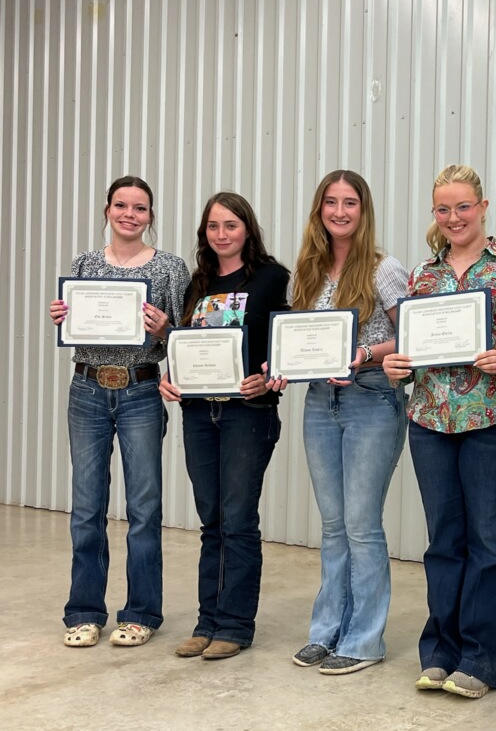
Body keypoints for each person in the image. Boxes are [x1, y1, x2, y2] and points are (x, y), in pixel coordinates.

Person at [382, 164, 496, 699]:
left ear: (483, 205)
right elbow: (408, 345)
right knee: (443, 543)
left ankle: (483, 659)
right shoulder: (423, 277)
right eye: (443, 209)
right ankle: (441, 652)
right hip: (430, 419)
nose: (454, 217)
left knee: (490, 542)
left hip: (494, 421)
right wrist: (395, 366)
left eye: (463, 206)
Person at [276, 170, 408, 675]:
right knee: (332, 526)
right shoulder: (307, 270)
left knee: (361, 525)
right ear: (319, 210)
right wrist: (280, 364)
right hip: (318, 404)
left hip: (371, 400)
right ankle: (325, 631)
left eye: (349, 202)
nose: (339, 211)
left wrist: (364, 352)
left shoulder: (384, 268)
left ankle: (364, 639)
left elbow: (410, 337)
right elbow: (297, 337)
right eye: (330, 202)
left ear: (363, 210)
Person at [51, 176, 190, 648]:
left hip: (142, 392)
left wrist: (165, 327)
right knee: (86, 507)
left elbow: (186, 338)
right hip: (88, 389)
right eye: (121, 205)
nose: (130, 214)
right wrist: (64, 317)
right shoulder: (85, 265)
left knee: (144, 508)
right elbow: (77, 326)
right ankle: (85, 611)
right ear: (107, 209)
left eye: (140, 208)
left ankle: (142, 612)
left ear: (151, 216)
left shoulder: (171, 268)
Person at [159, 192, 290, 660]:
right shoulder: (198, 284)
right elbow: (183, 346)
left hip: (246, 415)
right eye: (213, 227)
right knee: (211, 520)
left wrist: (271, 376)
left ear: (247, 230)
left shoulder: (272, 278)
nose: (222, 234)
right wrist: (169, 378)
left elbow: (286, 343)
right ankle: (206, 622)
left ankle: (234, 625)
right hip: (198, 413)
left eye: (231, 225)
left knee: (237, 521)